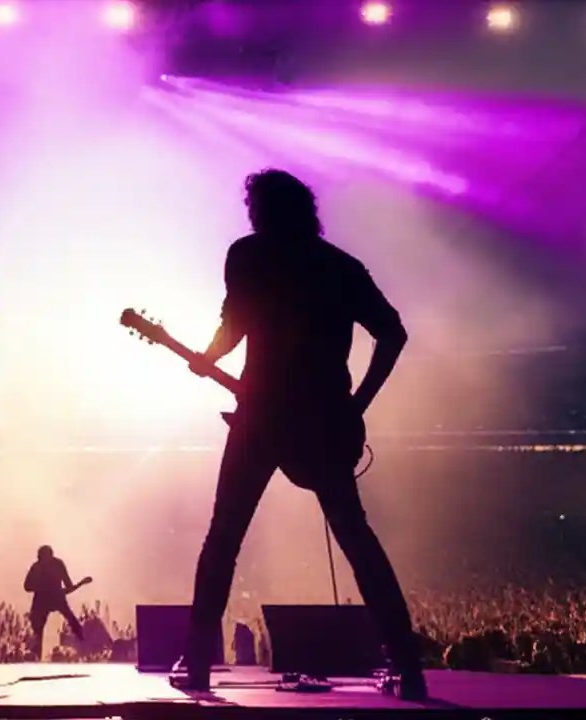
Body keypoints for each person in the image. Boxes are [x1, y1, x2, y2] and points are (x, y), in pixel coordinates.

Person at [174, 169, 426, 700]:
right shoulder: (340, 266)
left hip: (260, 416)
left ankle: (196, 663)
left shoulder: (247, 255)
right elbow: (393, 333)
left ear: (260, 211)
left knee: (224, 536)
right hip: (325, 418)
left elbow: (233, 326)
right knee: (357, 537)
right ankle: (407, 666)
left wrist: (208, 357)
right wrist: (358, 404)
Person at [24, 546, 90, 659]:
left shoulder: (56, 565)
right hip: (44, 599)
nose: (41, 560)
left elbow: (68, 587)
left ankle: (84, 647)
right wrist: (44, 588)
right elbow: (27, 586)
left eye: (42, 557)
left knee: (72, 621)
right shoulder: (37, 566)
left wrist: (80, 584)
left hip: (53, 597)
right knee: (37, 630)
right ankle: (35, 653)